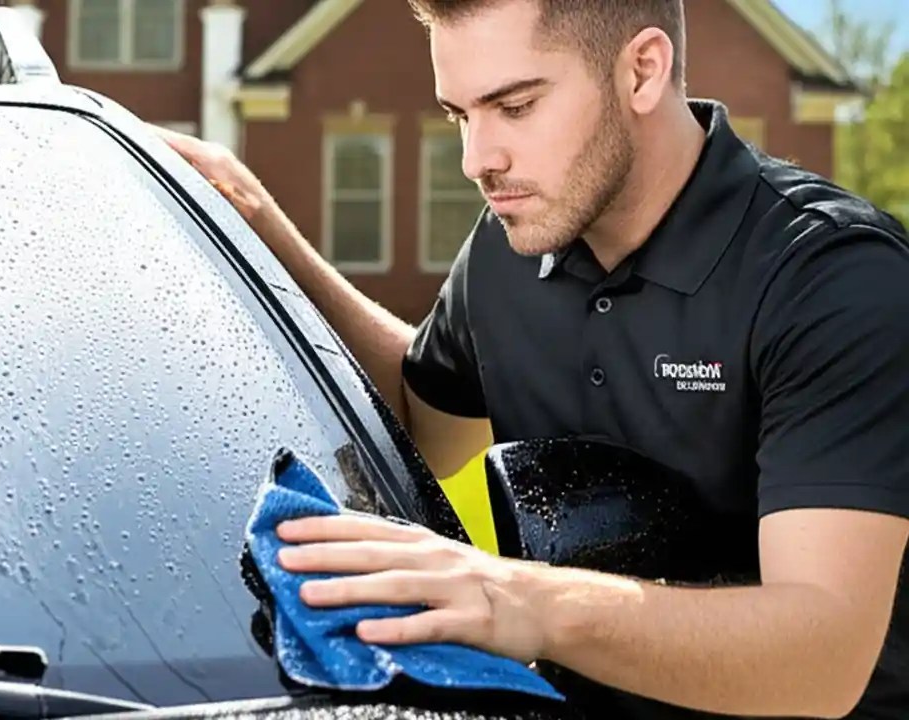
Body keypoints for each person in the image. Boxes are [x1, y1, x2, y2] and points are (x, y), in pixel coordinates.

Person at [156, 0, 909, 718]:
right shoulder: (509, 250)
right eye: (460, 115)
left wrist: (519, 601)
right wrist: (262, 227)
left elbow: (825, 655)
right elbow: (419, 420)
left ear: (643, 71)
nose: (476, 160)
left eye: (515, 107)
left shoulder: (833, 278)